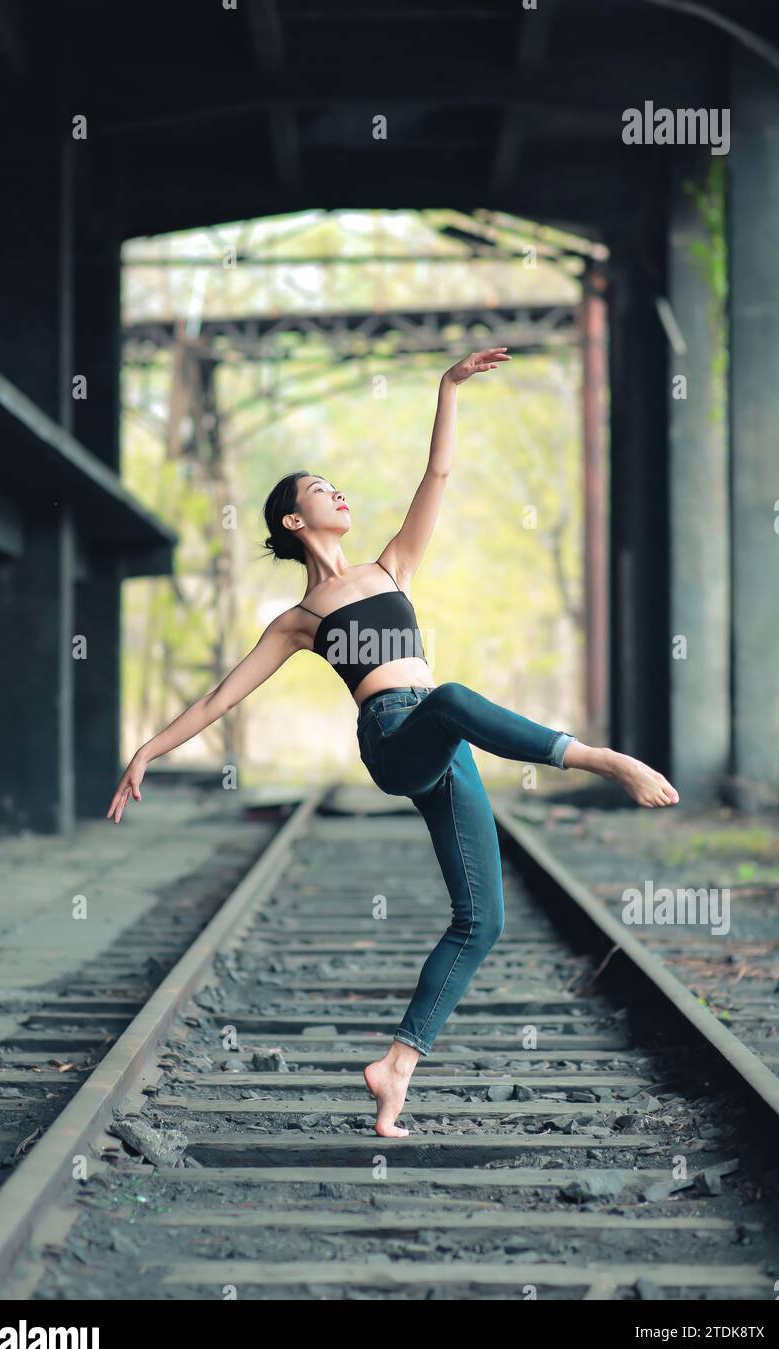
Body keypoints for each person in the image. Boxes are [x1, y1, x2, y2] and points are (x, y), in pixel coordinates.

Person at [107, 347, 679, 1138]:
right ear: (293, 521)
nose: (337, 492)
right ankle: (599, 758)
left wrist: (449, 388)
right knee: (450, 698)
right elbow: (217, 698)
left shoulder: (391, 568)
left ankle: (397, 1067)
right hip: (395, 737)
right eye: (320, 489)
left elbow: (435, 476)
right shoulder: (298, 621)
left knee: (481, 919)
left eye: (335, 485)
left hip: (447, 743)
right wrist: (147, 751)